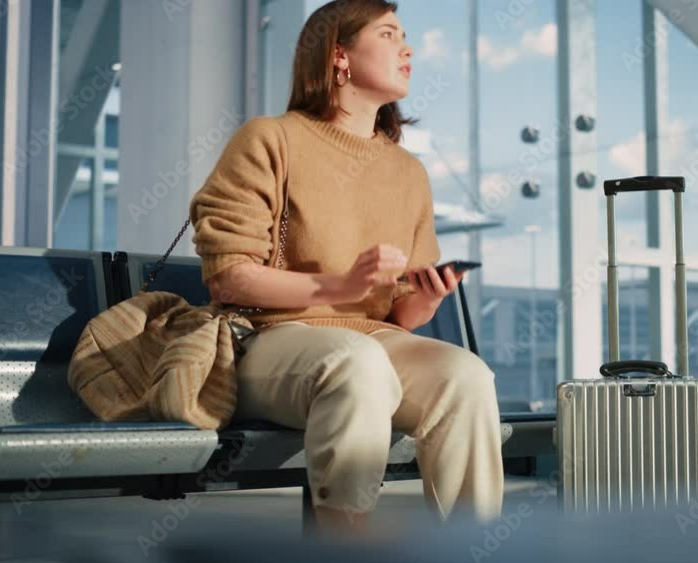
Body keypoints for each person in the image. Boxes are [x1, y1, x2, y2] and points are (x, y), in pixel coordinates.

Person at [187, 0, 504, 536]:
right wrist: (341, 284)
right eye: (388, 35)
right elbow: (229, 277)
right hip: (269, 339)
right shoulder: (271, 139)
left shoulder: (408, 171)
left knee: (466, 376)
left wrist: (427, 296)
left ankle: (475, 545)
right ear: (339, 56)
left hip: (370, 343)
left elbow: (401, 315)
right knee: (357, 363)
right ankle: (344, 544)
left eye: (405, 36)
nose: (408, 49)